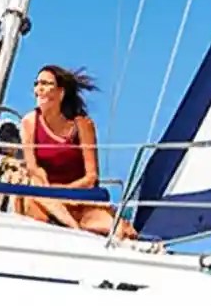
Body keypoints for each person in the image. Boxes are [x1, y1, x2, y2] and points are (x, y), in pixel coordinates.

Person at [20, 65, 137, 239]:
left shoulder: (82, 125)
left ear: (61, 92)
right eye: (37, 84)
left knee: (119, 231)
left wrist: (65, 191)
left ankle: (78, 228)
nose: (39, 89)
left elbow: (91, 177)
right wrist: (53, 192)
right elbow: (33, 169)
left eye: (45, 84)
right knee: (35, 193)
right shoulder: (30, 122)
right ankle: (73, 228)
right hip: (46, 197)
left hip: (80, 199)